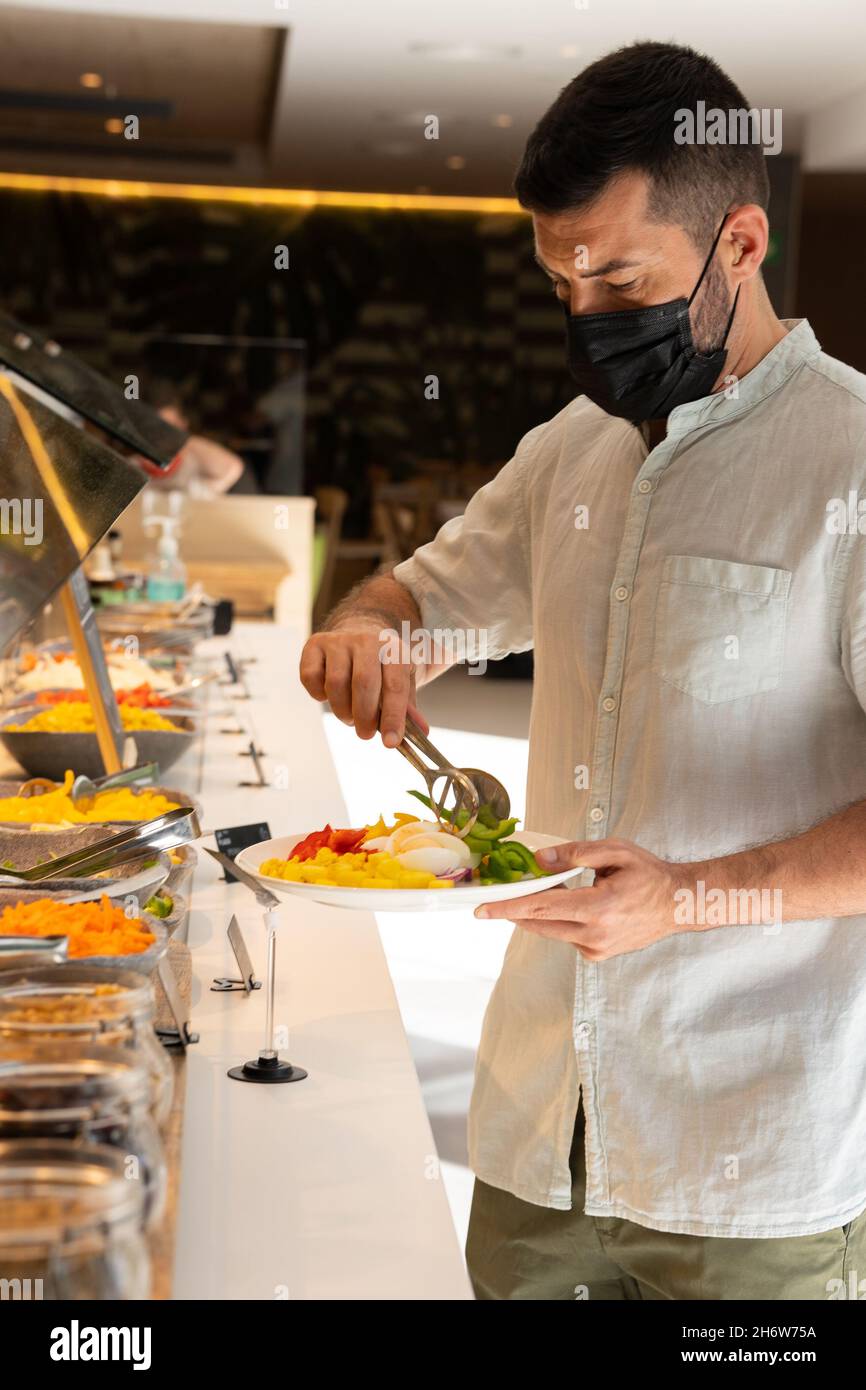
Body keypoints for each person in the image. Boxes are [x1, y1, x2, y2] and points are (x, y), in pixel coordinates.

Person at [300, 41, 866, 1299]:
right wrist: (367, 632)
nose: (585, 313)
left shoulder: (852, 465)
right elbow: (425, 599)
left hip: (746, 1174)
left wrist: (688, 898)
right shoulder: (572, 445)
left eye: (617, 276)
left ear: (737, 244)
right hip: (530, 1139)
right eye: (561, 278)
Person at [139, 385, 245, 495]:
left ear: (182, 424)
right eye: (157, 427)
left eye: (170, 427)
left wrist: (202, 492)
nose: (164, 434)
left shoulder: (191, 447)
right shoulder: (136, 454)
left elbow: (233, 467)